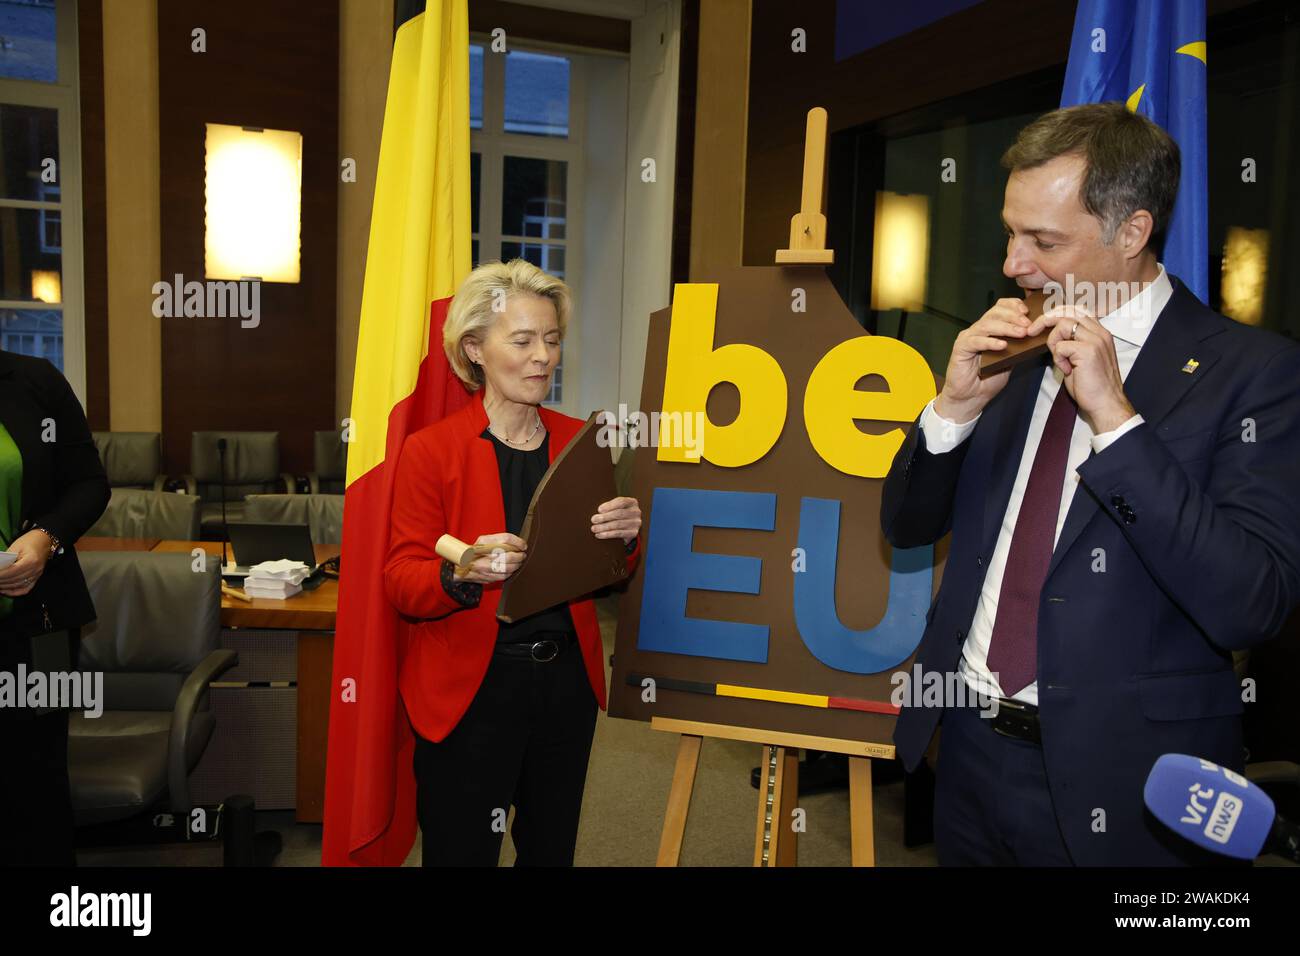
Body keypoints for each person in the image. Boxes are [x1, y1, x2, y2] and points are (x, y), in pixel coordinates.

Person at [880, 102, 1300, 866]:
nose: (1013, 263)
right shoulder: (1012, 347)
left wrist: (1115, 418)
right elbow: (906, 528)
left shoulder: (1255, 375)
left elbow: (1251, 603)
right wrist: (951, 413)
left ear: (1132, 232)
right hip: (966, 754)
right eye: (1011, 232)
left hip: (1131, 784)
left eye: (1042, 240)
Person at [384, 259, 642, 866]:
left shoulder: (582, 439)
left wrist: (626, 539)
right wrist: (460, 572)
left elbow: (610, 570)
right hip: (471, 692)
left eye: (552, 340)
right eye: (522, 340)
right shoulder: (431, 451)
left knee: (550, 853)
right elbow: (401, 579)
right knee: (462, 854)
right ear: (474, 349)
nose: (543, 357)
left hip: (565, 687)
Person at [0, 348, 111, 866]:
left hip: (39, 620)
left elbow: (89, 482)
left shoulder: (33, 379)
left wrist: (47, 537)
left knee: (36, 785)